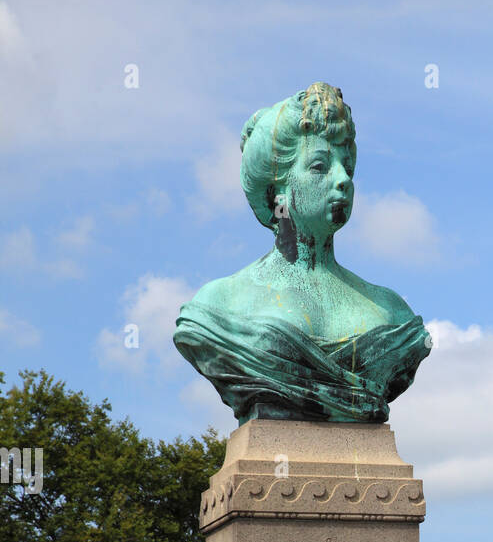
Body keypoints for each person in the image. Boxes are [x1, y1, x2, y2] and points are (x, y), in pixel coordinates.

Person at [174, 83, 430, 424]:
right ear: (277, 188)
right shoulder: (219, 306)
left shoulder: (393, 313)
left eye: (348, 167)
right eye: (320, 167)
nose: (342, 180)